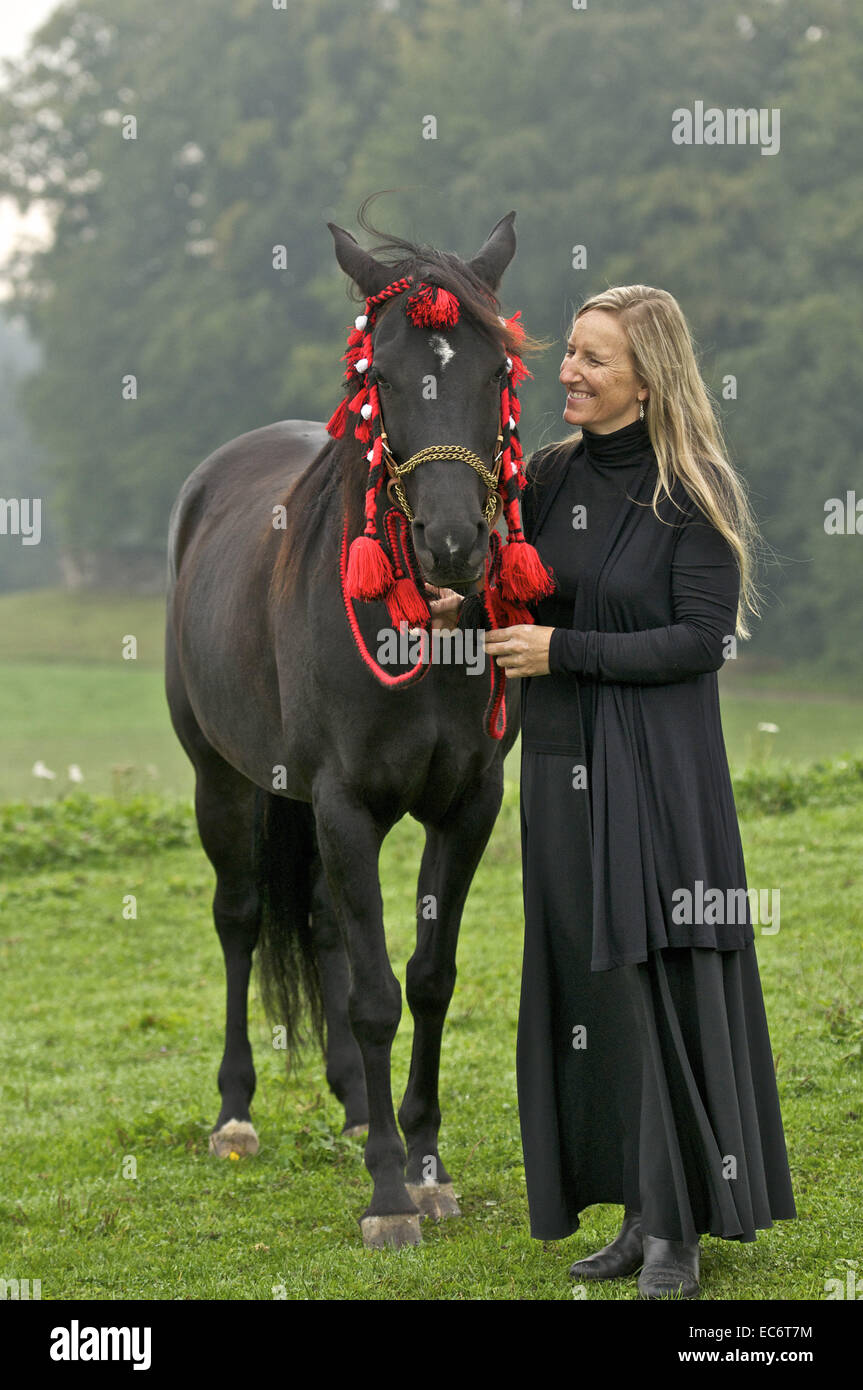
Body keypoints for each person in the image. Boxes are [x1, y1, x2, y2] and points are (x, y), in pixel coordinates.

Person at [429, 285, 796, 1299]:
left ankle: (678, 1227)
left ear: (647, 377)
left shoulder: (695, 489)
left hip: (658, 773)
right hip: (558, 766)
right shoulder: (548, 476)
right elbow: (525, 593)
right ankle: (634, 1213)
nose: (570, 372)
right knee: (591, 985)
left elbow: (696, 641)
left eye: (593, 358)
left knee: (654, 982)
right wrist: (464, 610)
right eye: (570, 354)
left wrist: (563, 648)